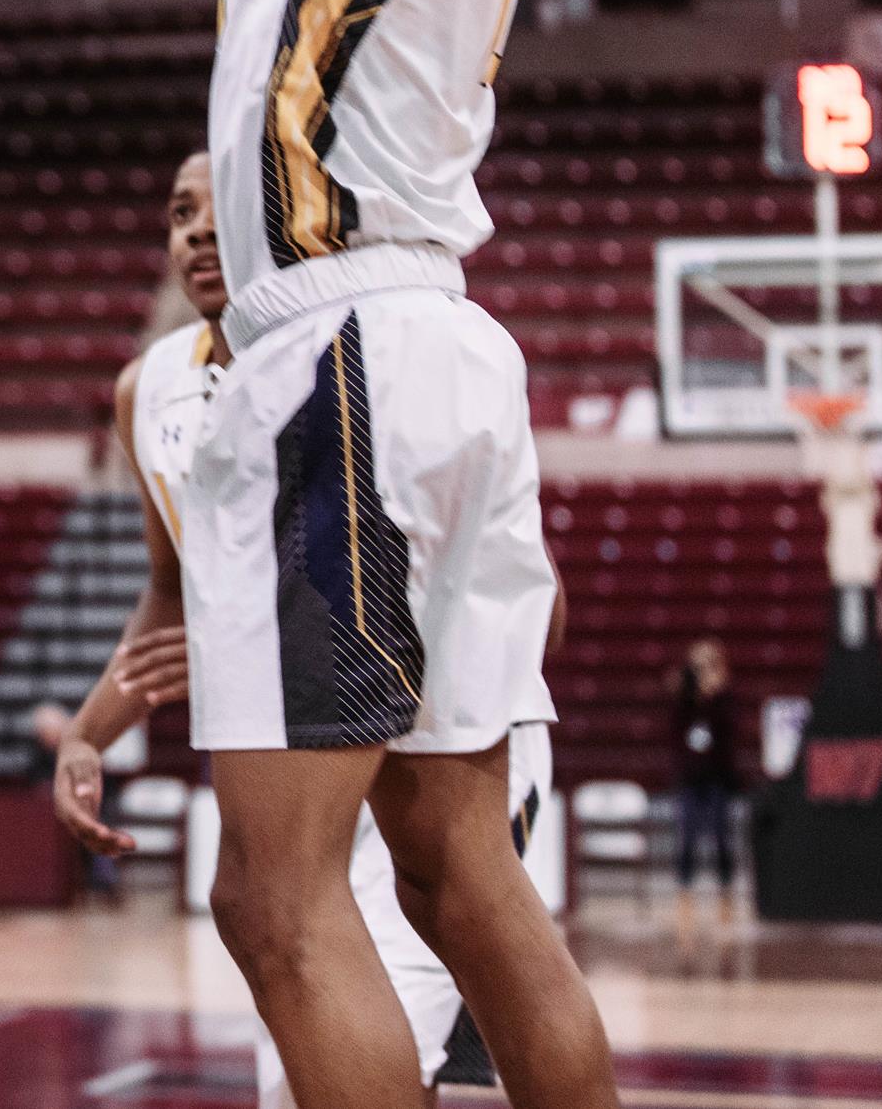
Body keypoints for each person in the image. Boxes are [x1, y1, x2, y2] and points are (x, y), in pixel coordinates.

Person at [176, 0, 620, 1103]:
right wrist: (221, 191)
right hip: (412, 336)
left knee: (276, 900)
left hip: (350, 361)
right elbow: (325, 79)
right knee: (458, 873)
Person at [55, 154, 565, 1109]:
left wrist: (239, 658)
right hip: (292, 754)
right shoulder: (148, 388)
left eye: (223, 209)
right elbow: (173, 592)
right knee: (302, 1071)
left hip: (418, 745)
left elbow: (534, 613)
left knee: (355, 1047)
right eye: (178, 214)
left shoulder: (368, 354)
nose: (199, 232)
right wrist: (91, 731)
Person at [673, 637, 739, 930]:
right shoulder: (684, 701)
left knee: (721, 839)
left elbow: (730, 738)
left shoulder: (725, 701)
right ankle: (684, 898)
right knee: (686, 839)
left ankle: (726, 896)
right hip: (690, 780)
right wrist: (692, 694)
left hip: (717, 781)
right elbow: (675, 734)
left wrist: (714, 698)